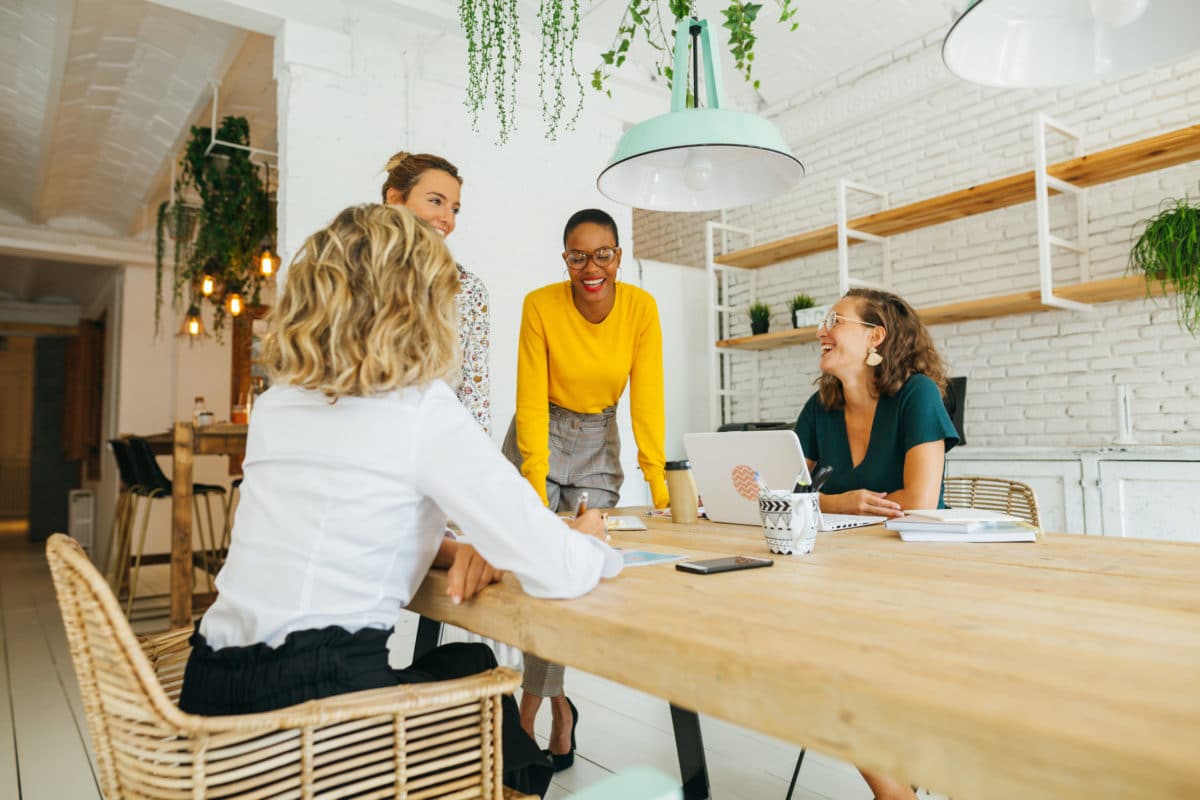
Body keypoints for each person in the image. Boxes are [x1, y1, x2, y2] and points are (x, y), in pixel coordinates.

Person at [178, 204, 621, 799]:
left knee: (464, 665)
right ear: (417, 301)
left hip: (212, 698)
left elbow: (333, 528)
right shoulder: (419, 409)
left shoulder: (279, 404)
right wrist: (586, 539)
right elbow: (556, 567)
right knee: (498, 722)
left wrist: (451, 549)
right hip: (320, 726)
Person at [501, 208, 668, 771]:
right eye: (578, 255)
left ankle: (537, 710)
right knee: (531, 576)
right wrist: (531, 493)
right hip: (537, 433)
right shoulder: (540, 305)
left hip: (600, 437)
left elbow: (646, 400)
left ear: (618, 256)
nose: (590, 267)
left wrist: (660, 482)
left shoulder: (641, 309)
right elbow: (527, 398)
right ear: (565, 259)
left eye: (602, 254)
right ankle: (544, 711)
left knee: (567, 582)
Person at [793, 287, 959, 800]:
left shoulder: (917, 395)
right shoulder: (820, 408)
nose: (822, 330)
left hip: (924, 569)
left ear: (875, 337)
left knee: (840, 657)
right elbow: (788, 497)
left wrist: (822, 500)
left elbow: (920, 499)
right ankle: (894, 790)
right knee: (806, 654)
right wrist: (838, 503)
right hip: (846, 571)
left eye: (835, 320)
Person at [382, 152, 491, 432]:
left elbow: (474, 396)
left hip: (438, 450)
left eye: (454, 209)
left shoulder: (467, 289)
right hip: (369, 449)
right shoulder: (354, 275)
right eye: (435, 201)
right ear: (395, 199)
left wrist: (477, 466)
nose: (447, 218)